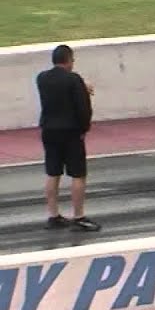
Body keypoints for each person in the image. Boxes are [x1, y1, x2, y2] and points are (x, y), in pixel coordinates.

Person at [36, 44, 100, 231]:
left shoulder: (42, 78)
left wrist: (81, 86)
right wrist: (84, 128)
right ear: (68, 60)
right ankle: (78, 216)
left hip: (49, 130)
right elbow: (83, 108)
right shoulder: (74, 80)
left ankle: (53, 215)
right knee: (78, 174)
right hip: (70, 131)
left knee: (52, 172)